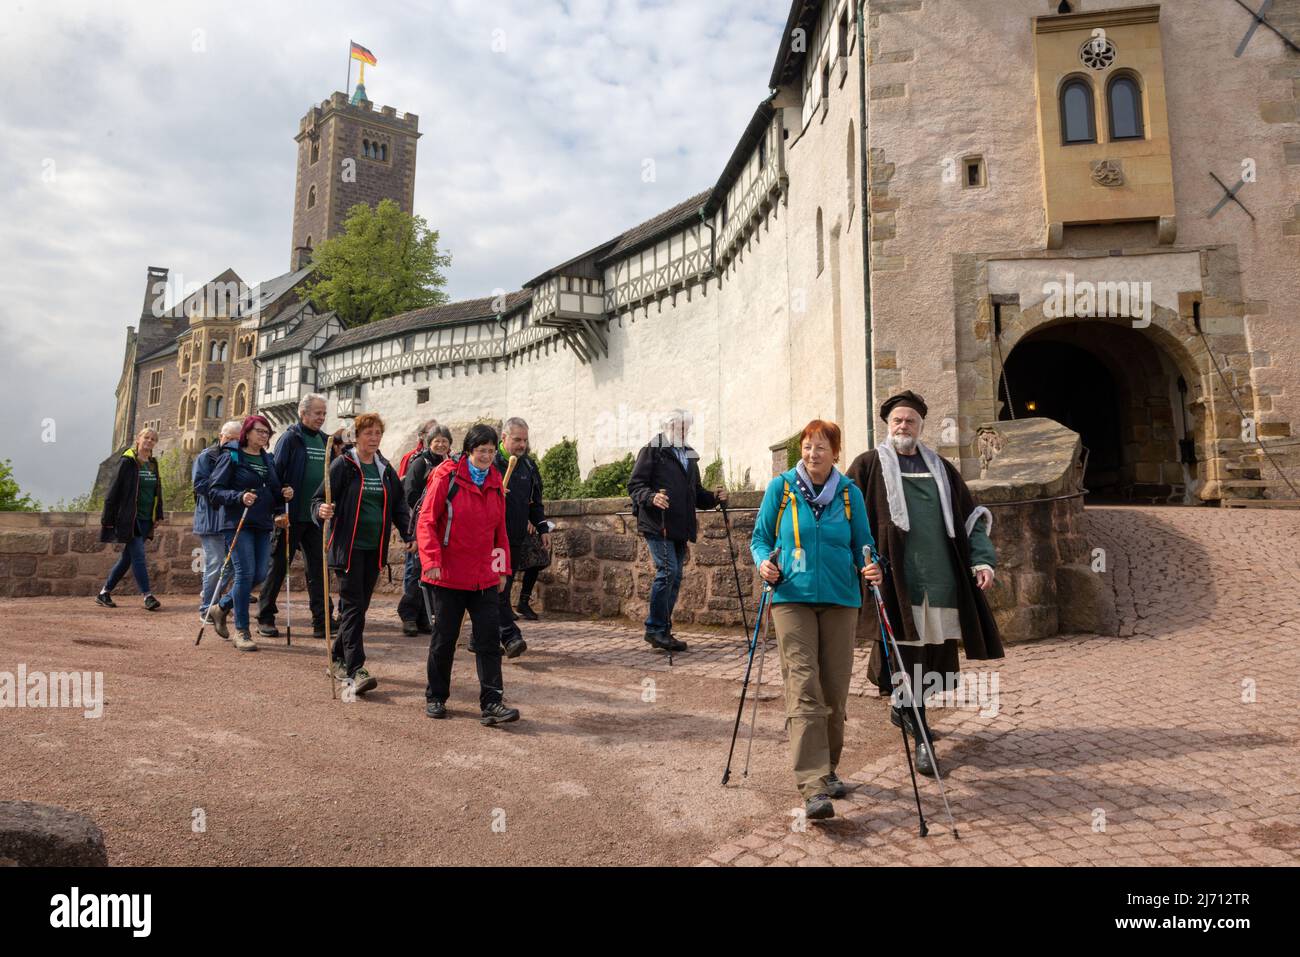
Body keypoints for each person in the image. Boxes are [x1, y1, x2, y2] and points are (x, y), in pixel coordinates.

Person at [845, 391, 1004, 777]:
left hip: (943, 577)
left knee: (934, 654)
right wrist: (859, 563)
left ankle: (905, 710)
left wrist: (981, 559)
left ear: (920, 426)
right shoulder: (867, 466)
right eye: (898, 420)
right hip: (898, 578)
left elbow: (971, 519)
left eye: (910, 421)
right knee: (907, 654)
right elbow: (844, 518)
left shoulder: (941, 468)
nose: (904, 426)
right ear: (887, 425)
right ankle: (921, 736)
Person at [751, 420, 880, 821]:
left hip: (842, 599)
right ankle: (812, 786)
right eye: (807, 447)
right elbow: (759, 538)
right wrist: (763, 565)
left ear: (835, 452)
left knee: (834, 689)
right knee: (804, 684)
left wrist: (872, 565)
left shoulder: (848, 493)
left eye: (820, 447)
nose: (812, 454)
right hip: (793, 598)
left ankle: (828, 769)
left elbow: (865, 543)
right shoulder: (782, 489)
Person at [417, 423, 519, 726]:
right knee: (444, 639)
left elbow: (500, 530)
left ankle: (492, 703)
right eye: (481, 451)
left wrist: (502, 569)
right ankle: (436, 696)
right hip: (449, 574)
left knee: (489, 641)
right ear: (469, 451)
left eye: (490, 451)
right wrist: (431, 559)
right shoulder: (447, 478)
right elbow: (427, 520)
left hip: (484, 577)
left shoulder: (496, 480)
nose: (487, 456)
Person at [312, 412, 412, 695]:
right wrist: (321, 510)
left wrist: (408, 534)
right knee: (354, 606)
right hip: (348, 548)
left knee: (359, 608)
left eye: (378, 433)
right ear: (357, 436)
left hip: (374, 550)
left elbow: (399, 507)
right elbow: (319, 498)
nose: (373, 438)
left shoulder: (385, 469)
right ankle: (356, 669)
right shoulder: (344, 465)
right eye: (368, 433)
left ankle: (337, 658)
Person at [627, 409, 727, 653]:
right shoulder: (652, 450)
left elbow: (696, 494)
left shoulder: (690, 455)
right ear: (667, 427)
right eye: (679, 427)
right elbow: (635, 485)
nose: (683, 431)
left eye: (686, 427)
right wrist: (651, 497)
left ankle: (663, 630)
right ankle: (655, 629)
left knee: (675, 576)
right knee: (668, 570)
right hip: (657, 523)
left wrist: (714, 497)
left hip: (680, 526)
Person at [205, 415, 290, 652]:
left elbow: (273, 491)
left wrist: (283, 496)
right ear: (247, 432)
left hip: (262, 524)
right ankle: (241, 631)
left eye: (267, 433)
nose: (264, 436)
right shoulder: (232, 456)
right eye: (260, 431)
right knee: (245, 573)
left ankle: (221, 607)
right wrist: (239, 496)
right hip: (237, 523)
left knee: (259, 574)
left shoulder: (267, 460)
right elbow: (215, 491)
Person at [256, 394, 333, 640]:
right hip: (291, 515)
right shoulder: (290, 438)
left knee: (318, 571)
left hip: (314, 518)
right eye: (316, 413)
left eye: (323, 413)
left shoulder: (325, 440)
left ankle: (322, 621)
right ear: (303, 413)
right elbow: (275, 476)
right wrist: (278, 509)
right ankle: (265, 617)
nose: (321, 417)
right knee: (278, 567)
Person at [493, 417, 554, 658]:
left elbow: (534, 502)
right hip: (492, 539)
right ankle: (510, 635)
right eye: (517, 439)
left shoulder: (528, 466)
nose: (521, 445)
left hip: (515, 536)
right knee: (499, 587)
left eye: (525, 440)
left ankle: (480, 638)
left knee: (501, 589)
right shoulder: (489, 462)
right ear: (504, 438)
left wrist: (542, 528)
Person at [97, 426, 165, 611]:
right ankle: (147, 596)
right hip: (130, 518)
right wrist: (108, 518)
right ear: (138, 439)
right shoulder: (127, 461)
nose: (149, 441)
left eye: (153, 439)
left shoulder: (153, 463)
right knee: (139, 556)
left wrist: (158, 514)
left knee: (128, 558)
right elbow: (114, 490)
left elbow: (157, 491)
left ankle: (104, 592)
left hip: (145, 519)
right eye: (146, 437)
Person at [397, 420, 449, 635]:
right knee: (414, 570)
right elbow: (410, 494)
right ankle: (408, 615)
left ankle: (423, 616)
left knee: (429, 572)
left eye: (445, 441)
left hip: (439, 524)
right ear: (429, 442)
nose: (441, 445)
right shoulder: (420, 463)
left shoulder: (449, 463)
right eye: (437, 441)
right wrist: (427, 510)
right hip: (420, 523)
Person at [193, 420, 242, 620]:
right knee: (214, 564)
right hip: (211, 519)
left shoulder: (238, 457)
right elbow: (199, 484)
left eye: (236, 440)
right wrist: (222, 488)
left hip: (229, 519)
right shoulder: (206, 456)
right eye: (229, 438)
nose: (231, 442)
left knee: (231, 565)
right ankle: (207, 608)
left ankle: (212, 597)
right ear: (221, 436)